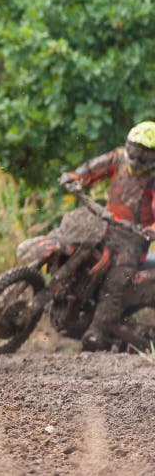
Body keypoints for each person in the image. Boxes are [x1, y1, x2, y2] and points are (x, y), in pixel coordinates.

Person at [59, 121, 155, 351]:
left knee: (116, 279)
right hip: (105, 224)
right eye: (134, 150)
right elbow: (93, 169)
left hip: (133, 238)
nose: (137, 158)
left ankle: (97, 332)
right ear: (127, 145)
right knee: (69, 238)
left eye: (145, 154)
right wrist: (75, 177)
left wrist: (150, 230)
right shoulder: (118, 158)